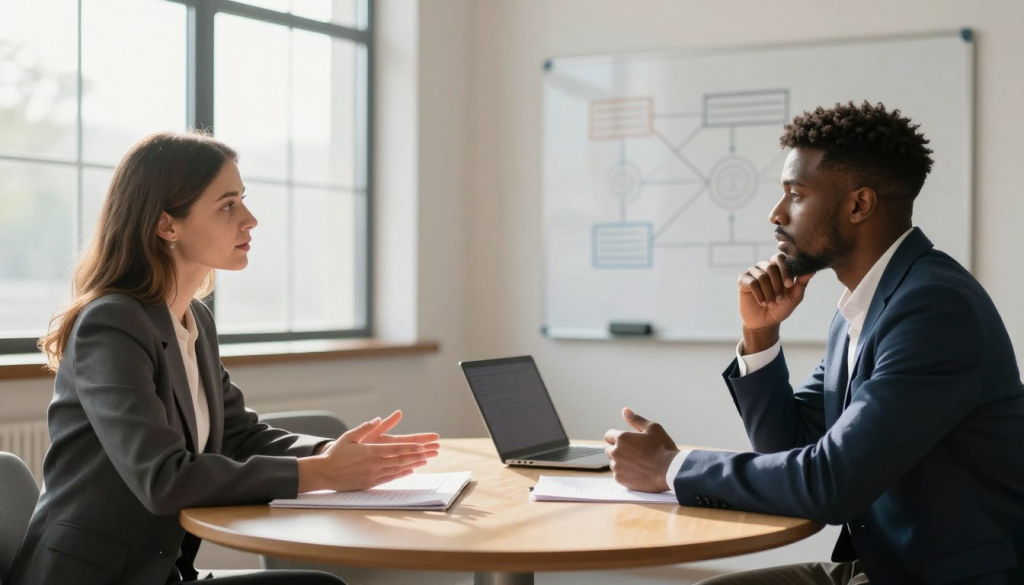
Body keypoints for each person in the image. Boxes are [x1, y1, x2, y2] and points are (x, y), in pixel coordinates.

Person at [604, 102, 1024, 584]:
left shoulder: (933, 309)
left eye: (795, 194)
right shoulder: (865, 304)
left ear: (858, 205)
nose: (776, 213)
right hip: (883, 565)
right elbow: (790, 445)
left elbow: (831, 483)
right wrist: (760, 333)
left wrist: (671, 468)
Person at [8, 131, 441, 585]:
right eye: (227, 205)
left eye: (243, 201)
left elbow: (236, 432)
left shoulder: (193, 319)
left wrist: (328, 452)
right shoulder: (111, 325)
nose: (250, 219)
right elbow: (164, 478)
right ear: (167, 225)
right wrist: (317, 473)